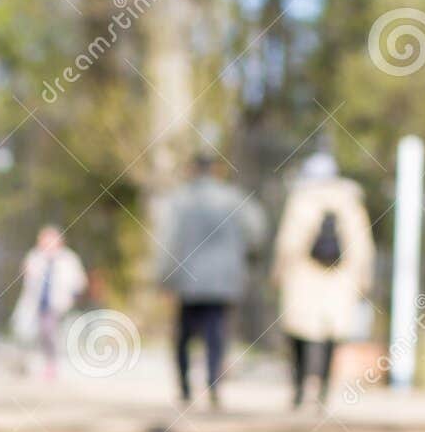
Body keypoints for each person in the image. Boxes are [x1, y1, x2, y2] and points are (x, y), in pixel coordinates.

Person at [158, 153, 268, 410]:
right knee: (216, 332)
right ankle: (213, 385)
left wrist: (164, 274)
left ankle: (185, 386)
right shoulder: (233, 198)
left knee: (185, 332)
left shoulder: (180, 200)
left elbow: (166, 239)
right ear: (216, 170)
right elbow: (257, 230)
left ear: (193, 170)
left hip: (189, 278)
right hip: (223, 278)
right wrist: (245, 254)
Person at [271, 151, 375, 410]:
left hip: (303, 277)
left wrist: (279, 272)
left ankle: (298, 388)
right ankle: (324, 390)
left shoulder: (301, 201)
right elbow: (362, 246)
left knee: (299, 334)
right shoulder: (351, 203)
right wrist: (363, 278)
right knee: (332, 335)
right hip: (339, 280)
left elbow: (288, 243)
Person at [10, 225, 87, 379]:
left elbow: (80, 281)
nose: (47, 243)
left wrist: (71, 297)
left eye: (50, 239)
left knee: (48, 332)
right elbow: (26, 276)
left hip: (56, 305)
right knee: (23, 331)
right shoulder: (34, 256)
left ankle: (50, 366)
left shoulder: (68, 259)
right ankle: (24, 363)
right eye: (44, 239)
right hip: (34, 303)